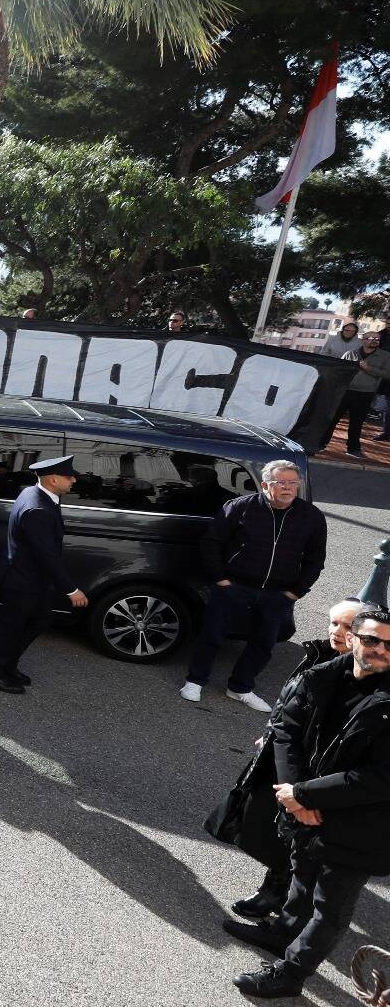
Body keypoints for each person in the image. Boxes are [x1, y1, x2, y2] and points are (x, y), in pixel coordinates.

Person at [228, 606, 390, 999]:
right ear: (351, 638)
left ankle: (291, 975)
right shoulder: (322, 678)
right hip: (305, 807)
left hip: (363, 824)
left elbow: (380, 778)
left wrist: (303, 795)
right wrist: (294, 793)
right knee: (302, 875)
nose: (381, 650)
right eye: (371, 639)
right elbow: (287, 731)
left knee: (330, 907)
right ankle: (283, 930)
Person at [222, 599, 366, 922]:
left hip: (313, 771)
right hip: (285, 754)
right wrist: (271, 731)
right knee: (269, 822)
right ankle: (278, 888)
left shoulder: (361, 677)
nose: (337, 632)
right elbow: (291, 701)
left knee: (297, 833)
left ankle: (278, 894)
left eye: (348, 627)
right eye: (334, 624)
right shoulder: (320, 655)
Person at [180, 460, 326, 713]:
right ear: (266, 484)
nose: (288, 488)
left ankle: (240, 688)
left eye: (293, 482)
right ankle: (194, 682)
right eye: (281, 482)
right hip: (234, 586)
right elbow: (212, 543)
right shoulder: (240, 507)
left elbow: (315, 559)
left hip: (277, 594)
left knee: (263, 645)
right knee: (212, 635)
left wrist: (295, 592)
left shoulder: (311, 516)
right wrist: (222, 580)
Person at [0, 456, 90, 694]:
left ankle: (7, 664)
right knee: (11, 627)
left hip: (33, 580)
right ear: (53, 479)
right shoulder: (37, 508)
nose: (74, 480)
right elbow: (46, 555)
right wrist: (71, 589)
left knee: (38, 621)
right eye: (70, 477)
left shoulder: (36, 493)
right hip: (22, 580)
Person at [334, 330, 387, 457]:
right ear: (363, 340)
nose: (374, 340)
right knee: (332, 420)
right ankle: (320, 444)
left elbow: (387, 374)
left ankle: (353, 449)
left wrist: (369, 368)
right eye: (370, 338)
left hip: (365, 393)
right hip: (345, 392)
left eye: (377, 339)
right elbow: (339, 371)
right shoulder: (350, 353)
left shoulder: (385, 356)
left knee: (356, 423)